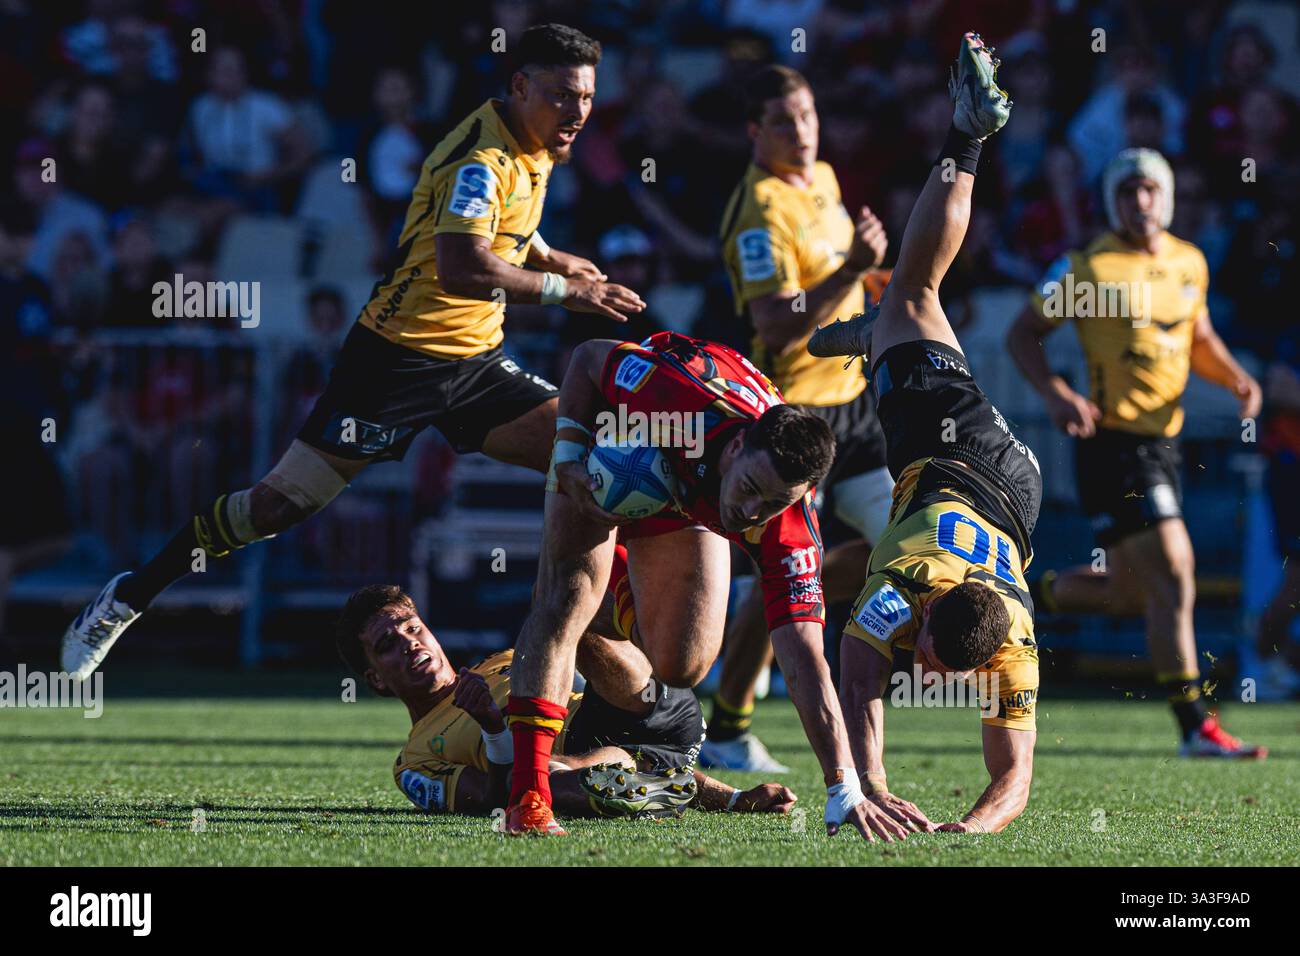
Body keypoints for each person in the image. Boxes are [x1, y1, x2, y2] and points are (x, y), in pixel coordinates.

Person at [61, 23, 645, 680]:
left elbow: (508, 227)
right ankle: (127, 597)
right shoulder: (479, 163)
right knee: (274, 509)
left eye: (587, 98)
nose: (578, 113)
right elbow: (460, 266)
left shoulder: (529, 141)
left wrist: (549, 253)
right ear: (520, 86)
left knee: (599, 461)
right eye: (564, 96)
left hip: (477, 363)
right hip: (392, 365)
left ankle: (610, 646)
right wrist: (564, 288)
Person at [503, 328, 915, 842]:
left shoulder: (788, 528)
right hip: (607, 447)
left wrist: (843, 787)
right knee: (566, 598)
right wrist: (566, 455)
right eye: (750, 489)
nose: (750, 513)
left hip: (684, 498)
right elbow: (588, 356)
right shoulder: (679, 396)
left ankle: (610, 591)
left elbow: (806, 657)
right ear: (738, 443)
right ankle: (528, 797)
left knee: (682, 663)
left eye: (772, 503)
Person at [810, 32, 1040, 833]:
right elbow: (861, 677)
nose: (927, 675)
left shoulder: (1010, 632)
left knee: (909, 309)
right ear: (935, 606)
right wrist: (867, 783)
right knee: (915, 285)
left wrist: (964, 831)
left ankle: (876, 338)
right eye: (933, 665)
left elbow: (1014, 781)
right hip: (956, 454)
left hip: (1016, 489)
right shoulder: (907, 581)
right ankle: (969, 133)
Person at [1006, 147, 1266, 758]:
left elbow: (1196, 335)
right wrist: (1056, 392)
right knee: (1176, 569)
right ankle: (1195, 726)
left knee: (1130, 592)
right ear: (1111, 202)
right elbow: (1023, 333)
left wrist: (1234, 378)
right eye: (1127, 192)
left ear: (1166, 196)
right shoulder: (1085, 267)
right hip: (1113, 445)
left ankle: (1014, 591)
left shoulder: (1189, 262)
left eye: (1149, 190)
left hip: (1164, 442)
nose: (1140, 202)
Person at [706, 64, 894, 773]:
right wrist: (852, 271)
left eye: (809, 116)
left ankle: (779, 604)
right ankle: (727, 726)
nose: (803, 132)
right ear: (754, 130)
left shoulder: (824, 181)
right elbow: (777, 327)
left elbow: (843, 280)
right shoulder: (757, 208)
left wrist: (878, 282)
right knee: (788, 574)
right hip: (791, 418)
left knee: (906, 546)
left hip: (855, 409)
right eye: (784, 122)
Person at [335, 585, 797, 821]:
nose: (411, 644)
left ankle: (667, 627)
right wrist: (737, 797)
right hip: (615, 753)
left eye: (413, 628)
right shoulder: (412, 762)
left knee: (560, 612)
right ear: (375, 677)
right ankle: (657, 794)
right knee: (544, 779)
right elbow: (492, 800)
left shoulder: (505, 660)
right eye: (388, 644)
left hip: (641, 704)